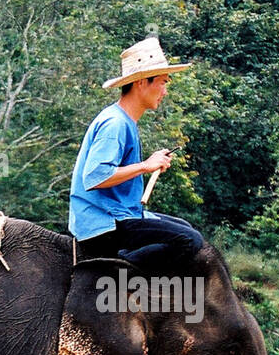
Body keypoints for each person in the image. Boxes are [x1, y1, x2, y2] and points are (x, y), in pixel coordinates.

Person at [69, 38, 204, 270]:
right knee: (190, 241)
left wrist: (149, 163)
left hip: (119, 215)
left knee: (186, 227)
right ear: (142, 83)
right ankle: (118, 270)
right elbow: (95, 177)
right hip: (103, 225)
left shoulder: (124, 120)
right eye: (162, 83)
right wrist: (146, 166)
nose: (165, 91)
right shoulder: (115, 124)